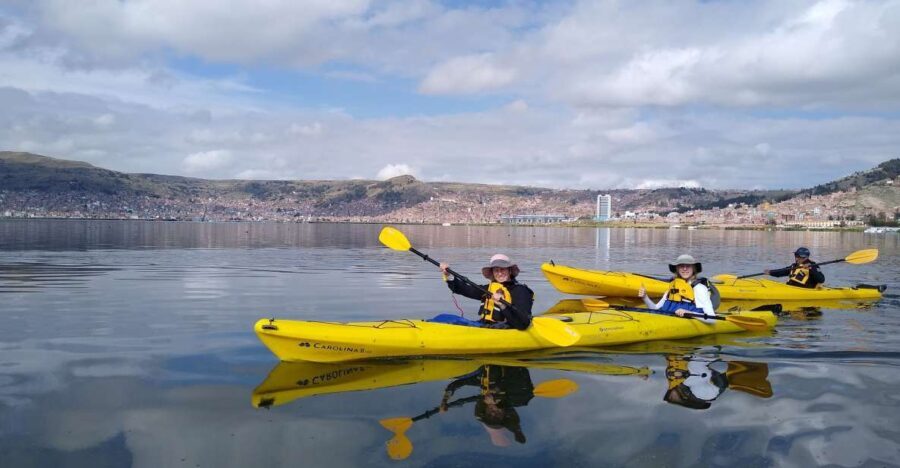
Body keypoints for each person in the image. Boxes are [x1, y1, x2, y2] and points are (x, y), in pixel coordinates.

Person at [439, 364, 533, 445]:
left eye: (490, 413)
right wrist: (498, 391)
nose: (493, 412)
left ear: (486, 409)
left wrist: (444, 400)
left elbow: (456, 383)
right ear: (504, 412)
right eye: (497, 415)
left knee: (458, 376)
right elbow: (523, 378)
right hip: (505, 354)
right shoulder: (516, 397)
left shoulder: (481, 380)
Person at [438, 254, 533, 330]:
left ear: (510, 271)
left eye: (503, 269)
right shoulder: (489, 289)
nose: (499, 273)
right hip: (485, 325)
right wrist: (448, 275)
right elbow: (465, 289)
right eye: (496, 270)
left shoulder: (521, 291)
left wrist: (502, 305)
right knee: (444, 317)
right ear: (492, 273)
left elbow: (523, 324)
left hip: (506, 328)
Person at [637, 254, 717, 319]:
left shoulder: (699, 288)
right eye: (681, 266)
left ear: (693, 269)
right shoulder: (672, 288)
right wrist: (645, 297)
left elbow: (711, 318)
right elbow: (655, 309)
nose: (684, 269)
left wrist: (690, 313)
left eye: (688, 266)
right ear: (677, 269)